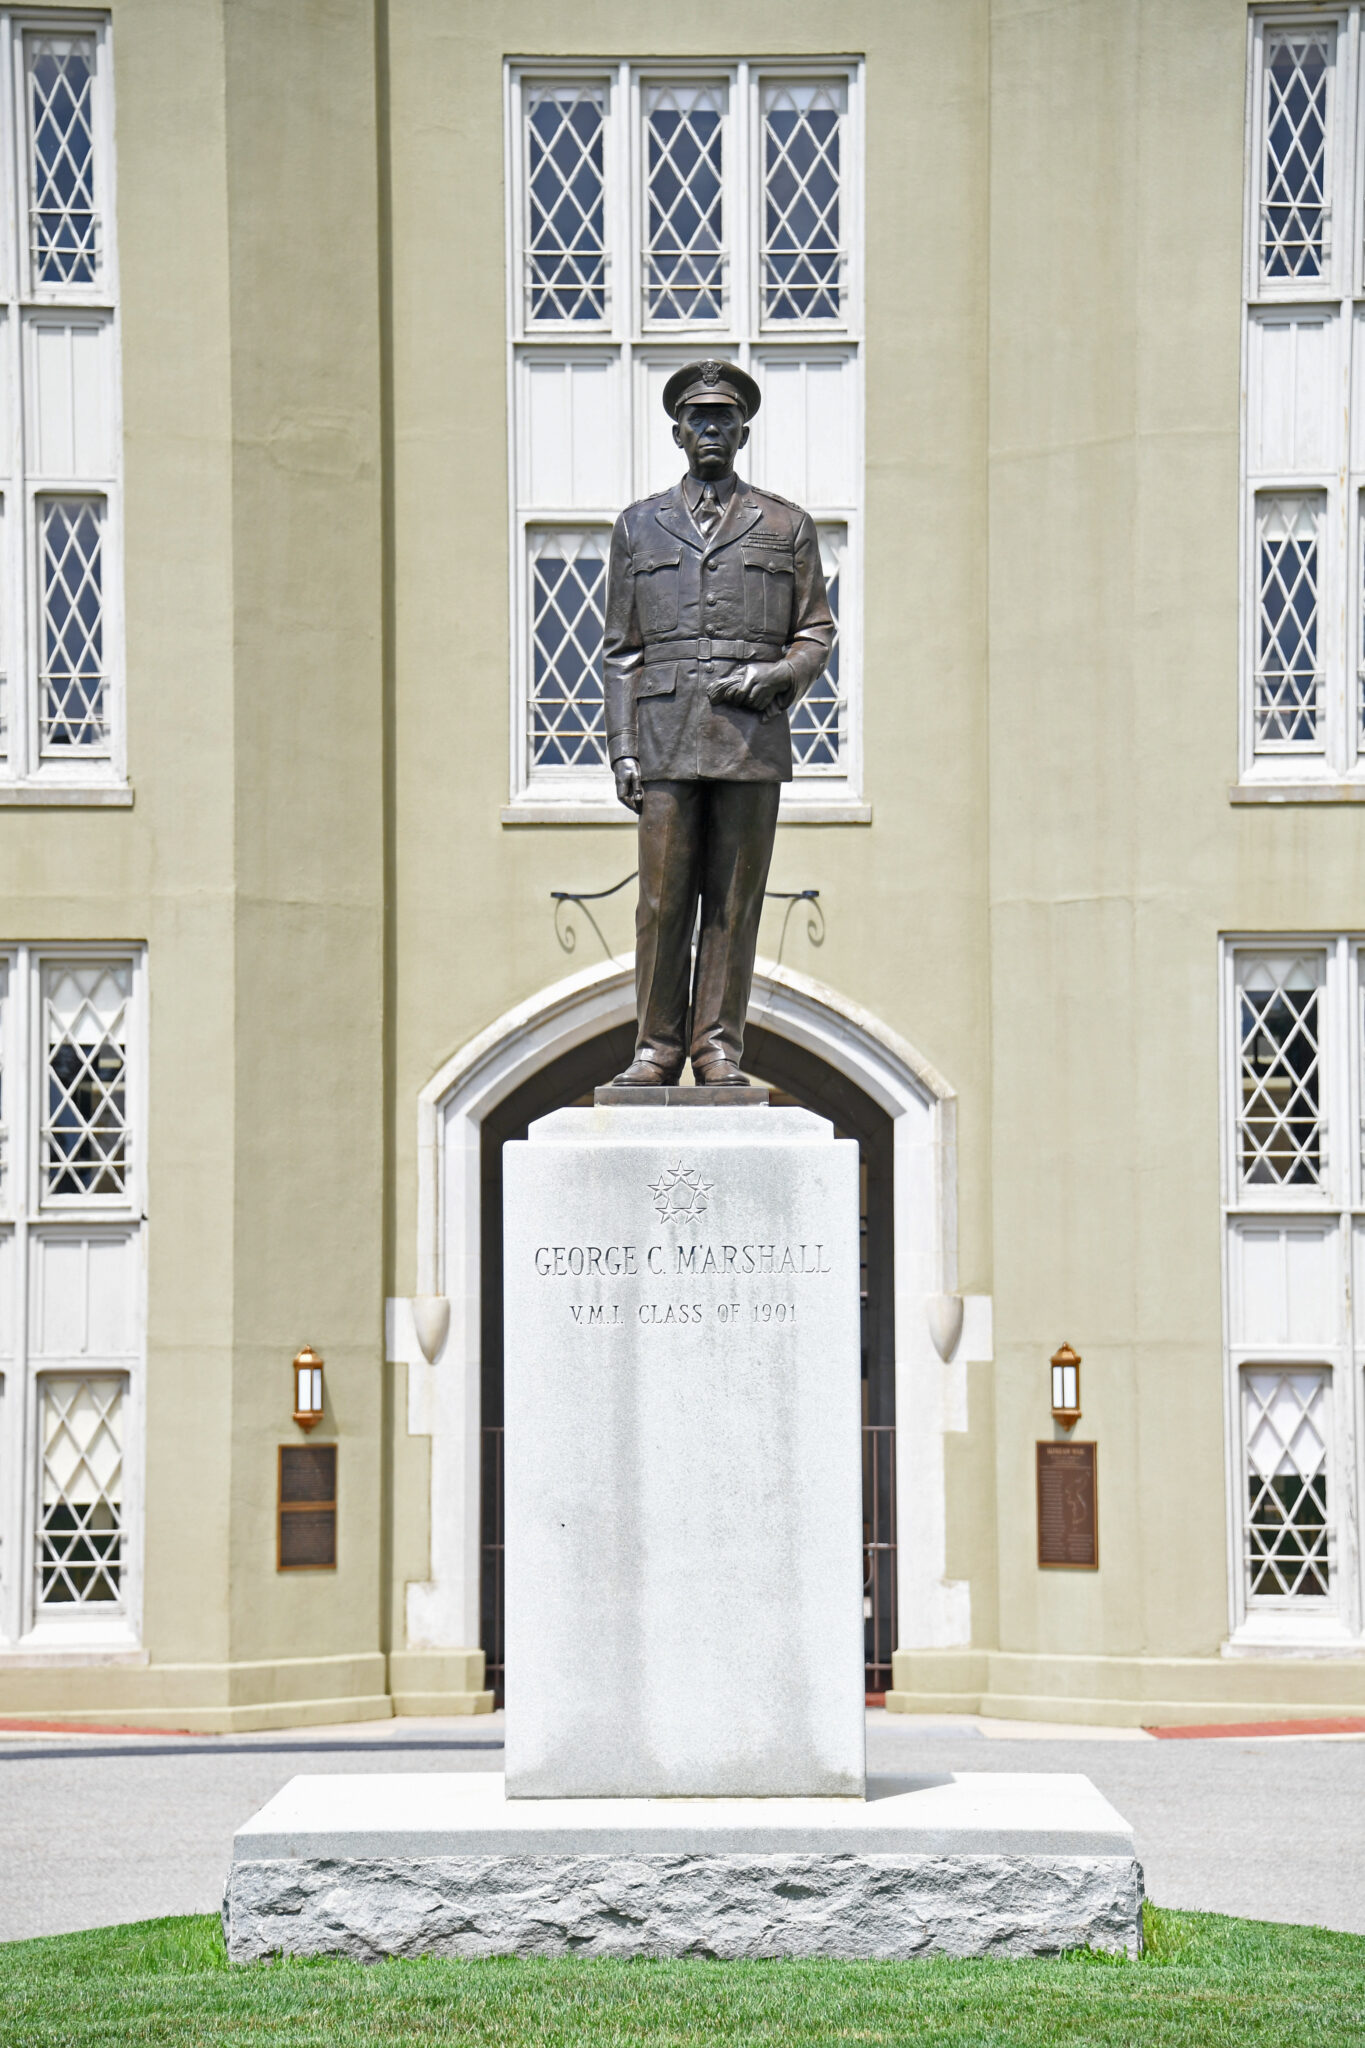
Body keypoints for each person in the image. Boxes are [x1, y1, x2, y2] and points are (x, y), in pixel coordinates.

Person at [603, 360, 834, 1087]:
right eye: (697, 419)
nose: (710, 429)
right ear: (677, 432)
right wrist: (620, 751)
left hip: (749, 735)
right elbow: (620, 651)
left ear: (741, 432)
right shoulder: (639, 526)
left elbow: (816, 631)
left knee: (733, 903)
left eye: (722, 419)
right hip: (663, 733)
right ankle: (657, 1047)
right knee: (661, 901)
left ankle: (716, 1048)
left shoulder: (784, 524)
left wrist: (777, 677)